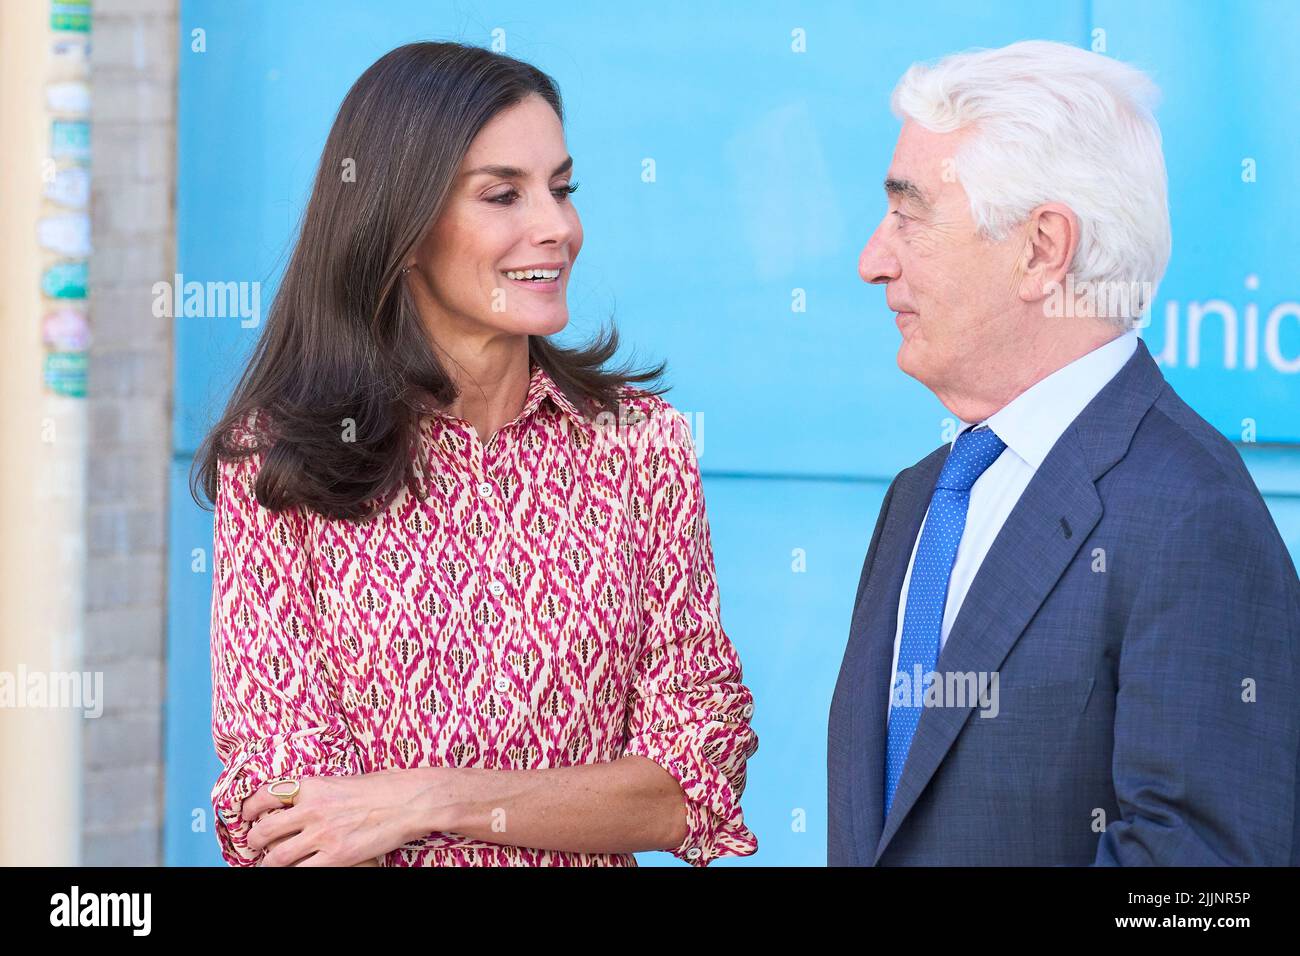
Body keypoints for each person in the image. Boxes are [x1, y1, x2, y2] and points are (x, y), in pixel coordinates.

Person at [194, 41, 758, 867]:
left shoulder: (641, 448)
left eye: (562, 190)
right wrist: (567, 800)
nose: (558, 227)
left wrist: (424, 797)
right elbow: (284, 816)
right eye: (505, 195)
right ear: (403, 225)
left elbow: (692, 780)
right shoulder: (283, 462)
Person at [828, 40, 1300, 865]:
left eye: (910, 215)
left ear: (1042, 248)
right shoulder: (922, 498)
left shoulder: (1194, 513)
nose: (874, 260)